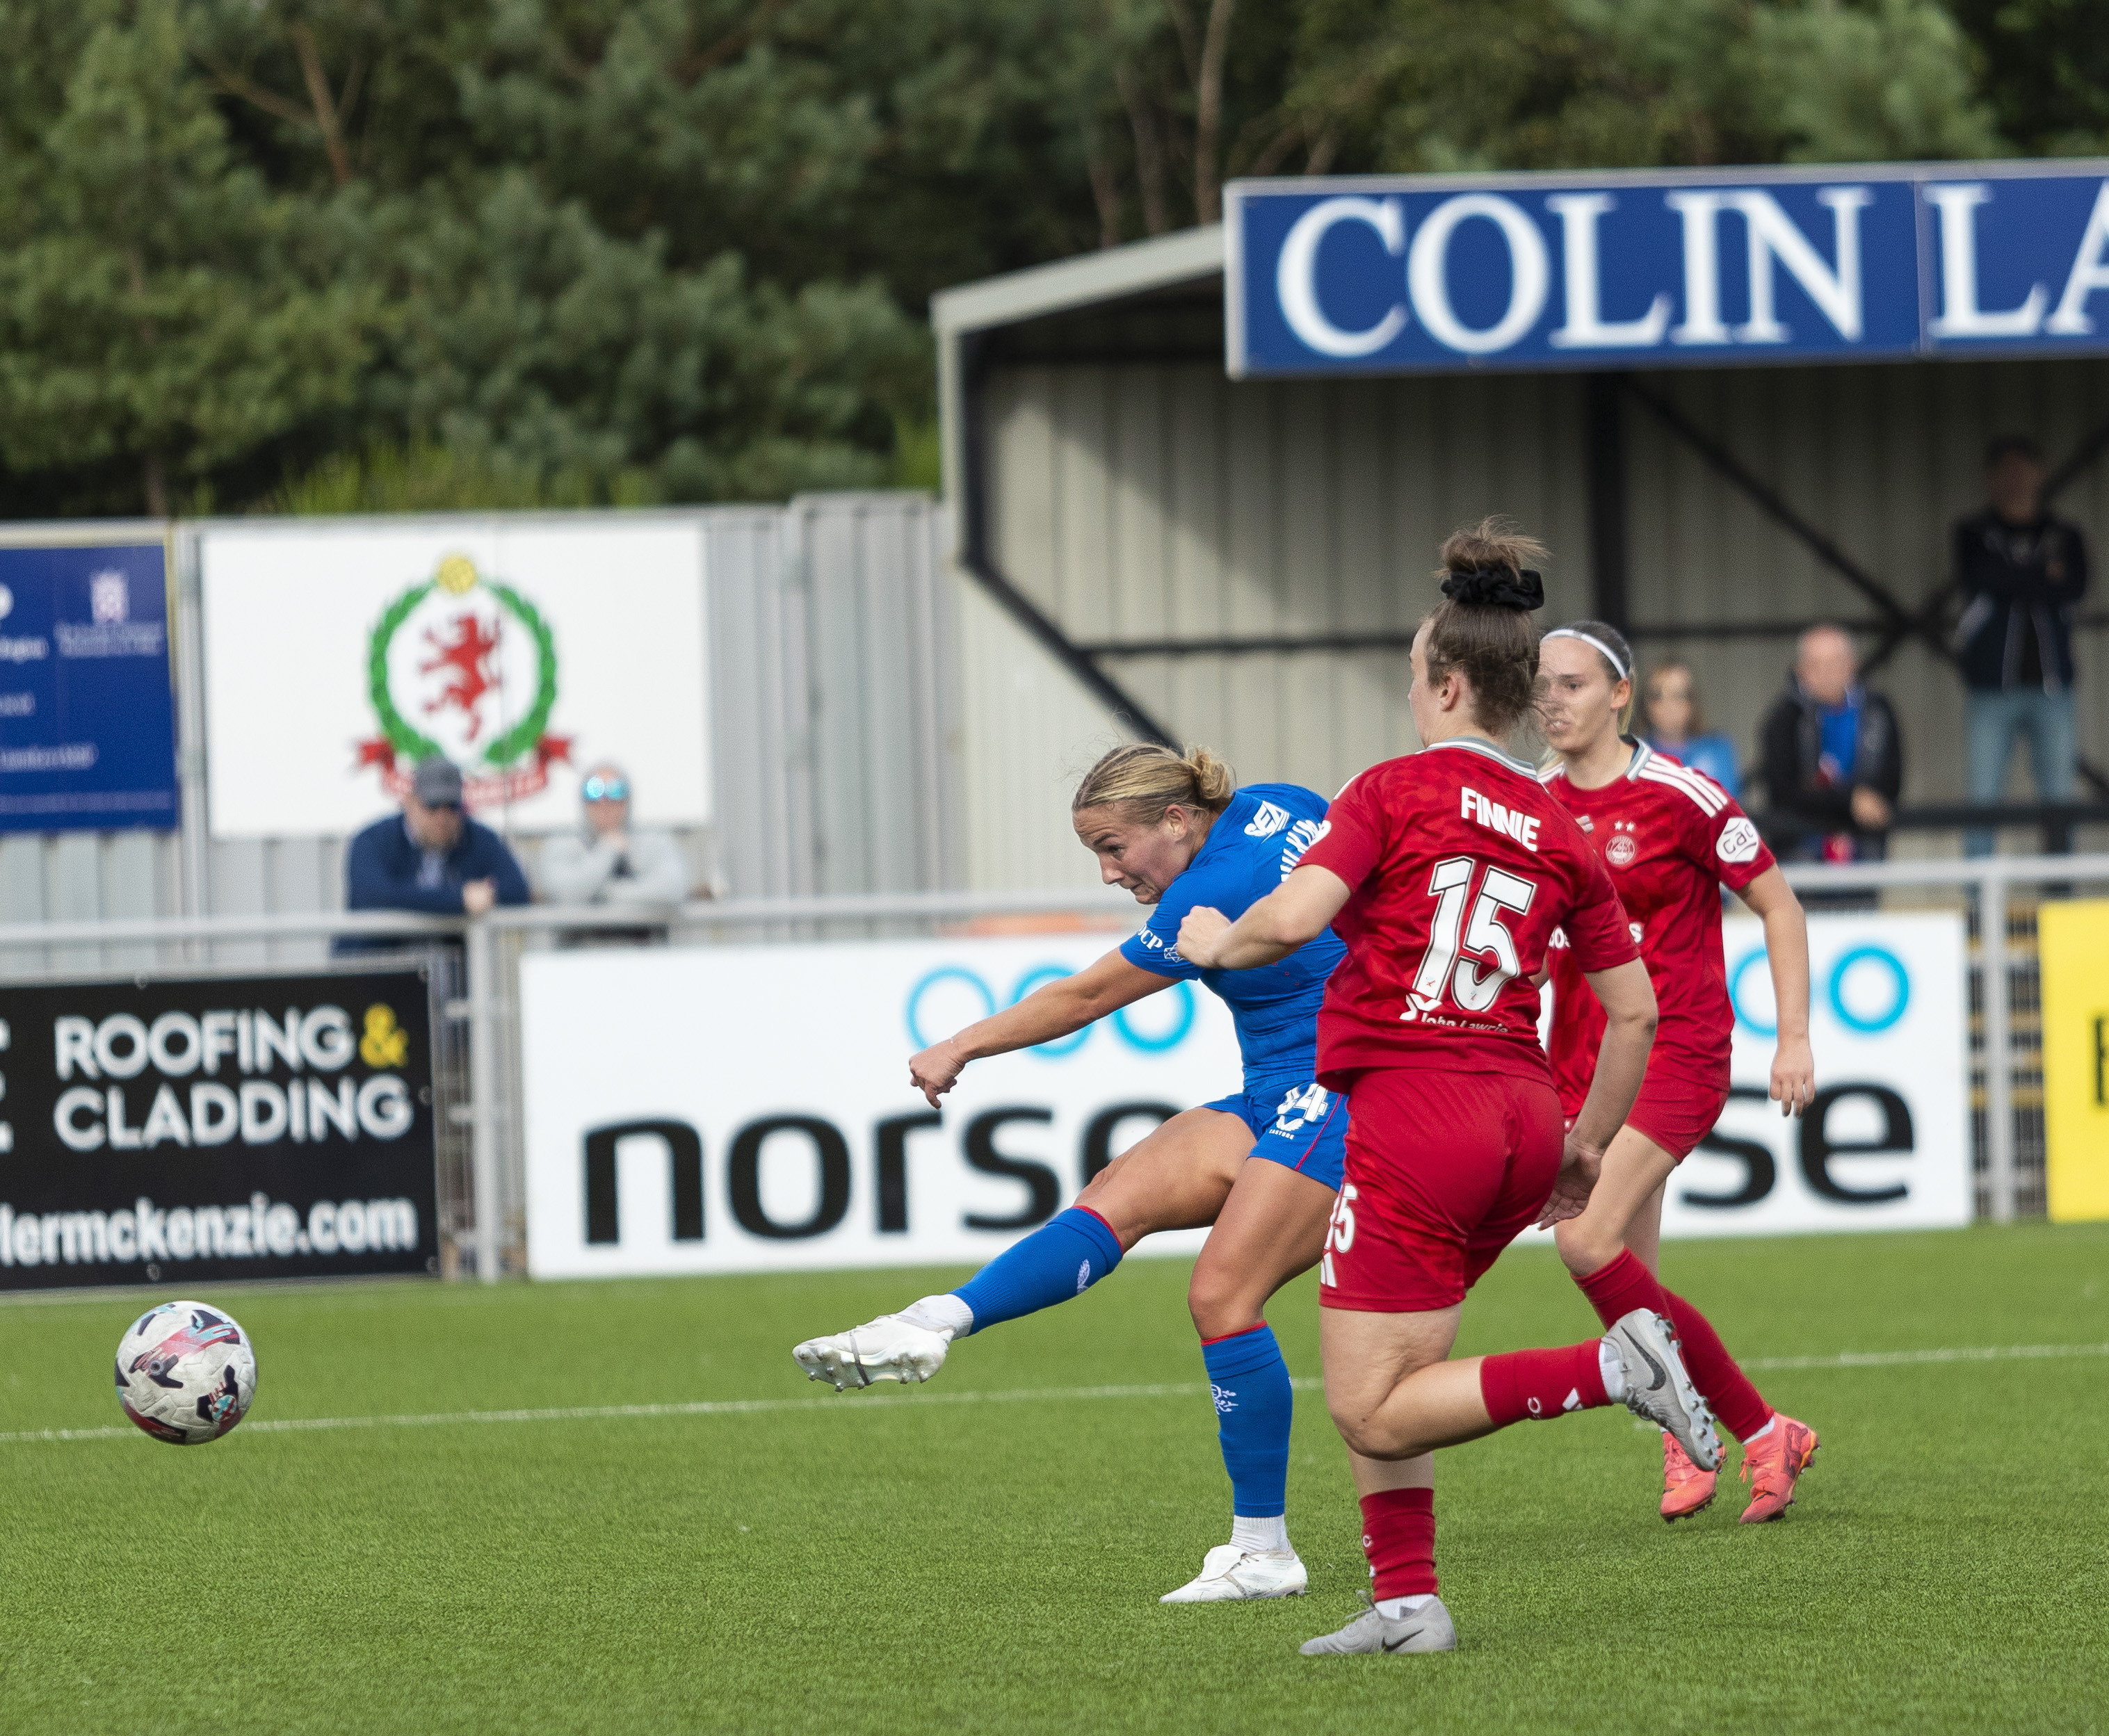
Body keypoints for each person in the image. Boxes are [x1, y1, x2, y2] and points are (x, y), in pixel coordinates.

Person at [1177, 521, 1715, 1660]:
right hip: (1520, 1113)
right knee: (1393, 1365)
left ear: (1447, 682)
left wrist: (1216, 938)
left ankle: (1612, 1363)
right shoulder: (1561, 824)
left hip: (1413, 1116)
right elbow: (1634, 1014)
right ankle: (1407, 1600)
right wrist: (1582, 1146)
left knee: (1366, 1400)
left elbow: (1290, 918)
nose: (1408, 690)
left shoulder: (1391, 789)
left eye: (1411, 673)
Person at [791, 744, 1350, 1605]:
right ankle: (935, 1320)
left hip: (1348, 1094)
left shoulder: (1217, 886)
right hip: (1277, 1090)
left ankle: (1264, 1550)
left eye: (1114, 847)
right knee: (1114, 1193)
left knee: (1222, 1297)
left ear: (1175, 820)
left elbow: (1088, 997)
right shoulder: (1276, 799)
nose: (1106, 872)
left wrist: (961, 1043)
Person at [1539, 619, 1820, 1525]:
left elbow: (1777, 903)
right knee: (1625, 1271)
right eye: (1541, 684)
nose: (1553, 699)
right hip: (1584, 1064)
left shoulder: (1683, 795)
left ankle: (1760, 1427)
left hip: (1679, 1049)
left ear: (1620, 694)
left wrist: (1794, 1038)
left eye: (1573, 683)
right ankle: (1682, 1436)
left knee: (1586, 1245)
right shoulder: (1534, 804)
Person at [1954, 434, 2090, 857]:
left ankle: (2060, 895)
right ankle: (1977, 903)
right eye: (2006, 470)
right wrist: (2039, 575)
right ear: (1991, 477)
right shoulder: (1974, 532)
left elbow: (2075, 588)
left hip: (2053, 687)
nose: (2015, 479)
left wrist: (2015, 575)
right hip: (1991, 687)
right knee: (1983, 798)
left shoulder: (2064, 534)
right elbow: (1982, 579)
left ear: (2040, 472)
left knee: (2058, 796)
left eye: (2023, 468)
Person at [337, 756, 530, 953]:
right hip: (374, 971)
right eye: (432, 805)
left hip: (450, 975)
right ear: (410, 802)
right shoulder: (372, 839)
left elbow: (517, 890)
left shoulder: (479, 838)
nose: (442, 817)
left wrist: (482, 895)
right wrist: (460, 899)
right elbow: (373, 894)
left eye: (452, 806)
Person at [1757, 624, 1902, 863]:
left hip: (1865, 851)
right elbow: (1783, 790)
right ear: (1801, 670)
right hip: (1800, 854)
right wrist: (1850, 801)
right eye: (1816, 664)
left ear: (1852, 665)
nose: (1826, 673)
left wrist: (1864, 800)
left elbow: (1891, 780)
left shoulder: (1878, 710)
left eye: (1835, 662)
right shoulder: (1784, 717)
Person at [538, 763, 690, 935]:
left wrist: (606, 894)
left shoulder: (652, 840)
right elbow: (566, 894)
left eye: (616, 791)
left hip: (645, 955)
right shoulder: (562, 842)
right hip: (579, 954)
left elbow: (671, 890)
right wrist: (608, 849)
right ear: (583, 800)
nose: (605, 802)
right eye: (594, 791)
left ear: (628, 799)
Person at [1640, 659, 1740, 797]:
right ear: (1645, 704)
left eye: (1678, 695)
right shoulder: (1631, 755)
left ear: (1692, 702)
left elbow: (1726, 809)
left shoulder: (1716, 751)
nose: (1668, 705)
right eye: (1657, 696)